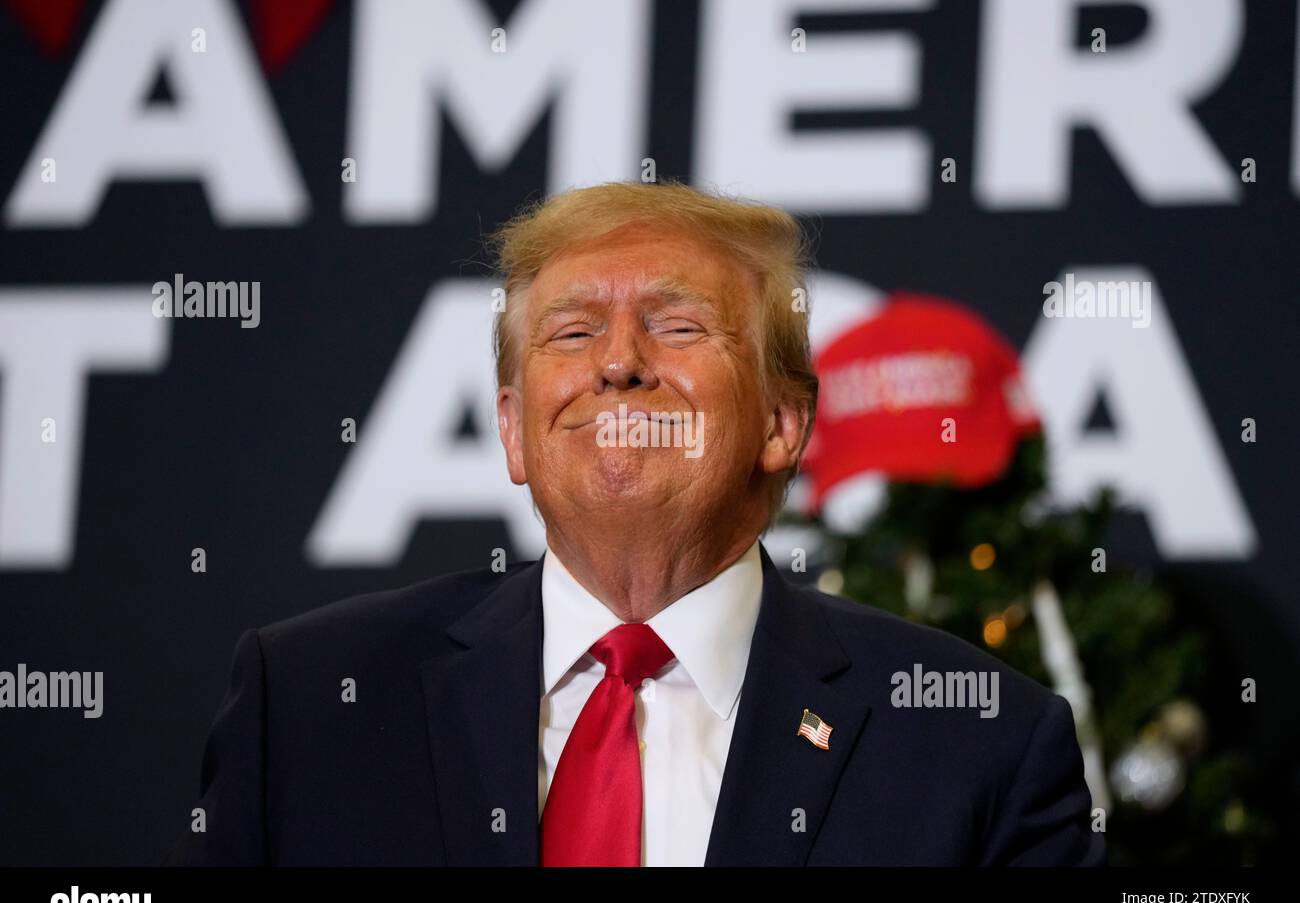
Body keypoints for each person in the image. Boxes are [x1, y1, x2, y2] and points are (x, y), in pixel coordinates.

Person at [163, 181, 1104, 866]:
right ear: (513, 431)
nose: (619, 363)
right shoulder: (309, 704)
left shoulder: (975, 746)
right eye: (572, 333)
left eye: (678, 326)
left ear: (782, 423)